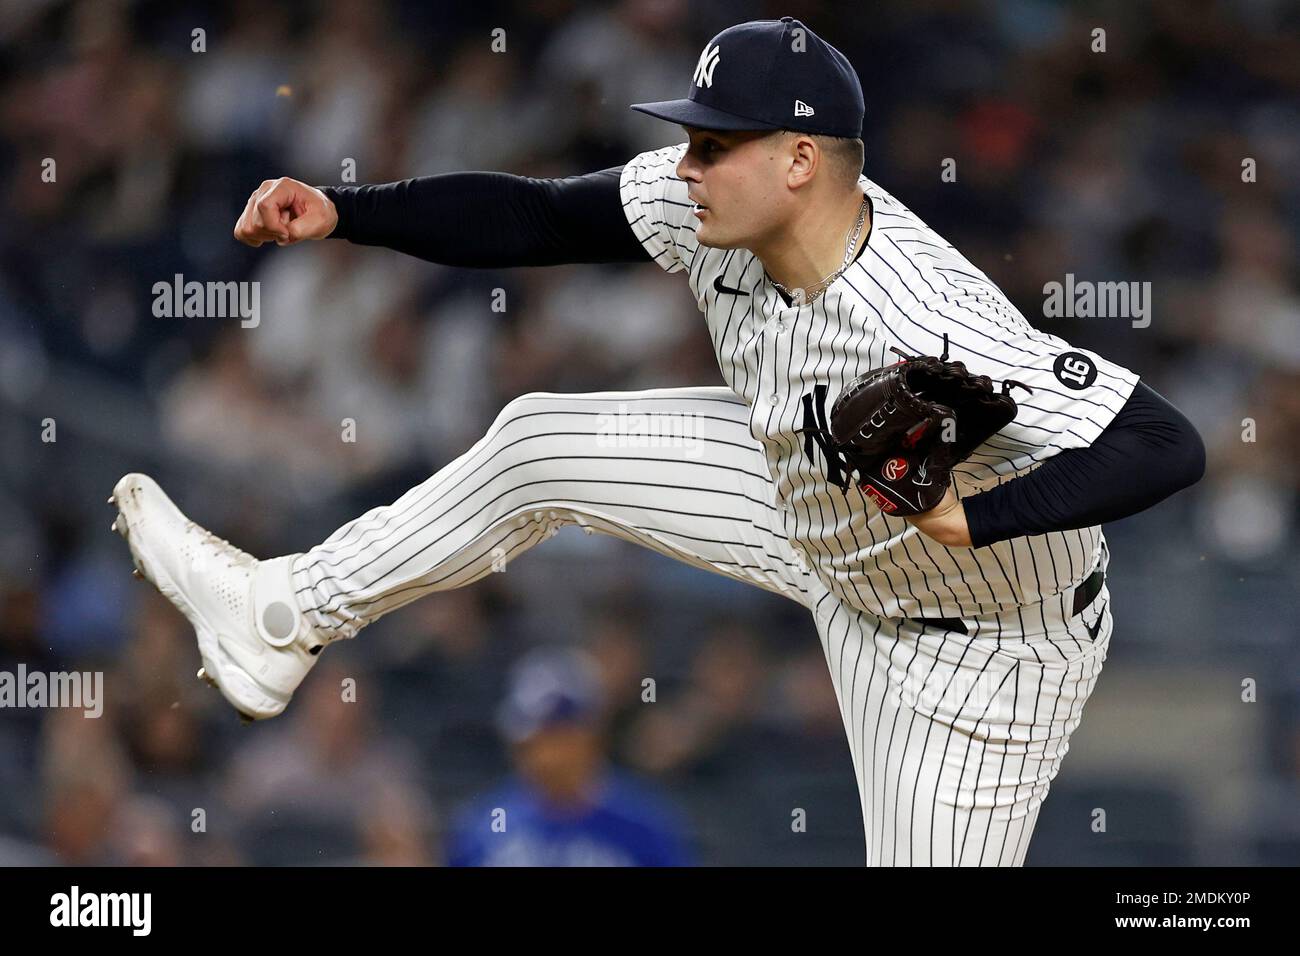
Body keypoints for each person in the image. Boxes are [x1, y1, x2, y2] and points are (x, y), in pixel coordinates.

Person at [110, 17, 1204, 865]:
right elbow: (539, 217)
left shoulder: (922, 317)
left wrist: (973, 516)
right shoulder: (708, 207)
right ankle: (283, 615)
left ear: (800, 160)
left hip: (979, 645)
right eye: (690, 136)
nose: (686, 163)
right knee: (537, 441)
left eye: (715, 144)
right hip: (815, 507)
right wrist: (349, 211)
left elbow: (1164, 443)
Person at [446, 647, 689, 867]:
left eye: (553, 736)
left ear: (590, 735)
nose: (541, 755)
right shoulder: (485, 824)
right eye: (529, 743)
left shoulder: (642, 826)